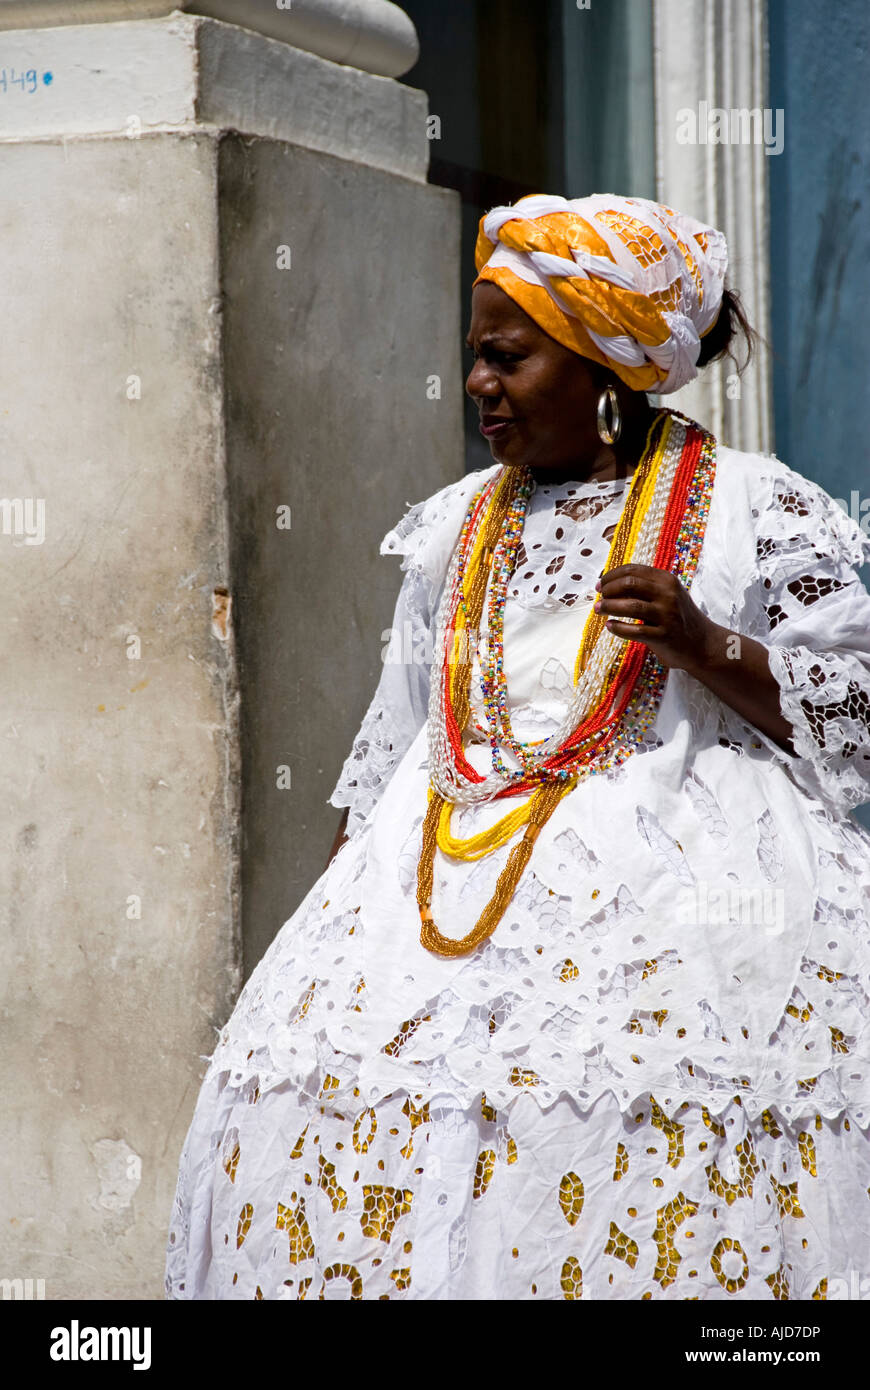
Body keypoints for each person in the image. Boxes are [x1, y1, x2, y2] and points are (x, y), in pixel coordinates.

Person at [165, 193, 870, 1301]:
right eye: (475, 358)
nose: (479, 387)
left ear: (602, 367)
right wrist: (337, 946)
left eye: (507, 358)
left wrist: (702, 641)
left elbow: (855, 718)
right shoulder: (455, 524)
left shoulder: (757, 508)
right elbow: (396, 741)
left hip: (692, 922)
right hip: (436, 892)